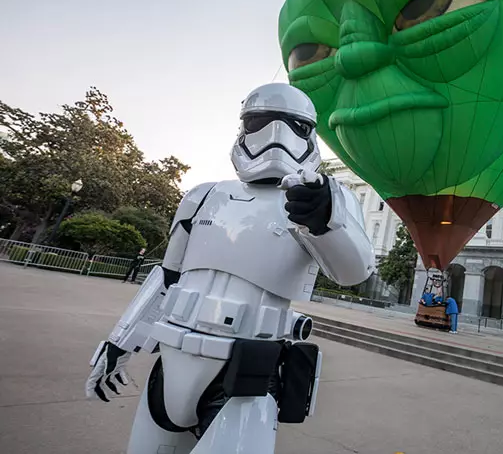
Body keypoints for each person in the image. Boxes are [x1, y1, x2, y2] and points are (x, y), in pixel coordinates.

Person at [85, 83, 376, 454]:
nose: (276, 136)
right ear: (243, 127)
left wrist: (325, 222)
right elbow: (167, 275)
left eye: (294, 126)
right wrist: (118, 342)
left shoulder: (323, 198)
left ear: (310, 134)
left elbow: (354, 272)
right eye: (260, 121)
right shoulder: (204, 194)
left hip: (245, 371)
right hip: (172, 357)